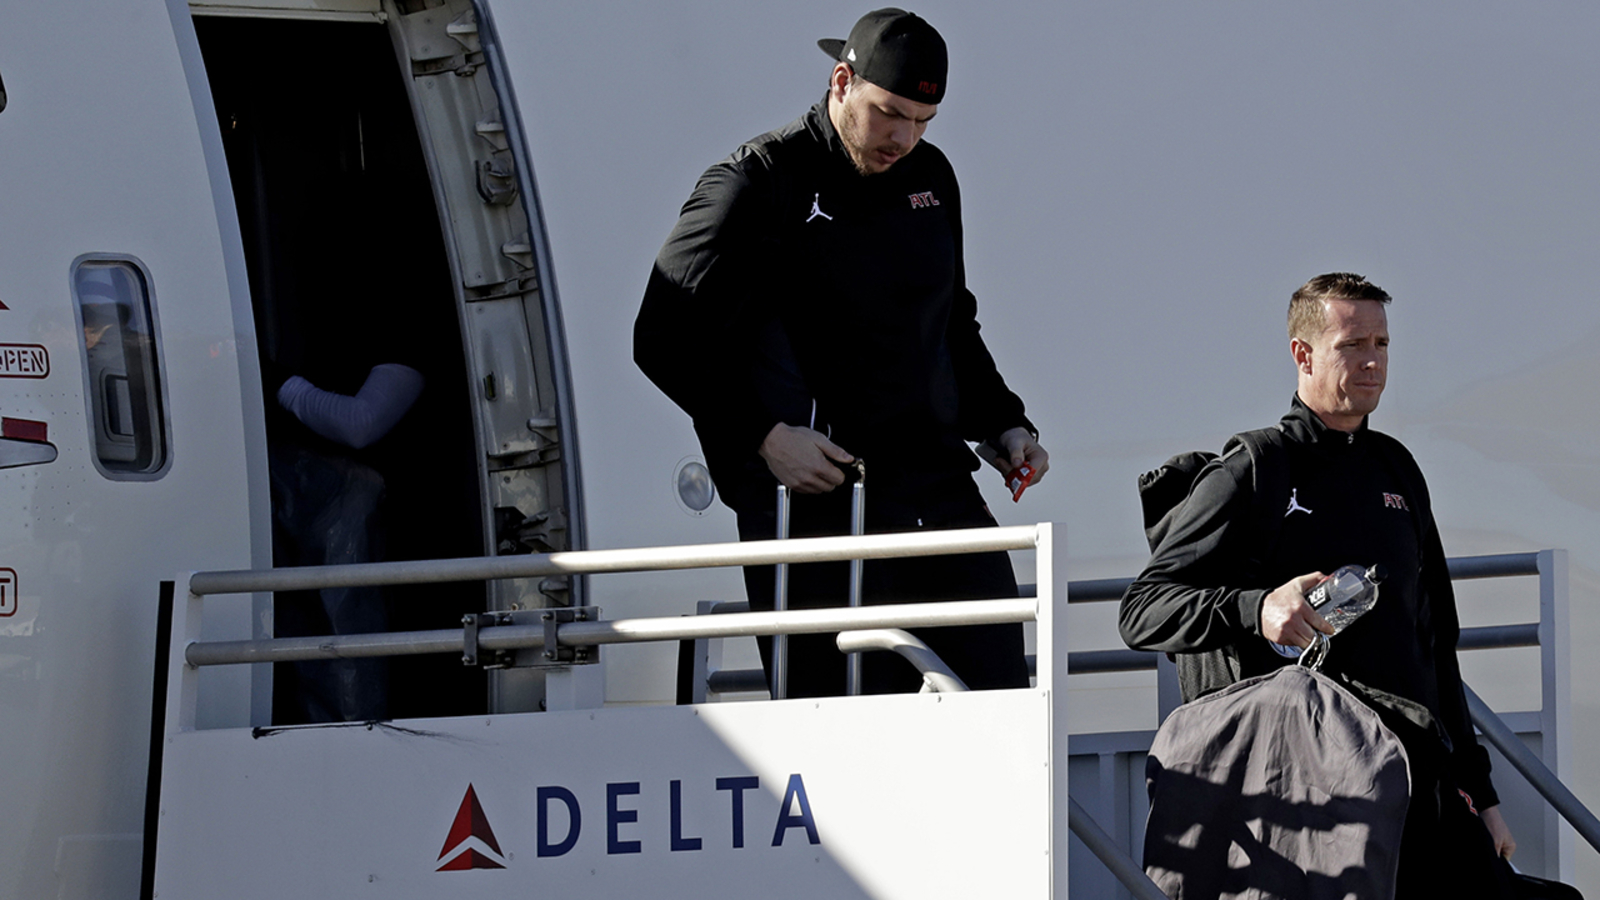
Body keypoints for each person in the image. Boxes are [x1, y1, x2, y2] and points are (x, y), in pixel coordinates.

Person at [635, 9, 1048, 698]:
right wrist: (763, 438)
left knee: (1000, 713)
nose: (904, 138)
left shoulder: (932, 177)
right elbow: (662, 336)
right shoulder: (758, 180)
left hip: (937, 491)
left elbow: (950, 320)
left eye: (923, 121)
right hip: (820, 502)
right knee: (842, 743)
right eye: (889, 114)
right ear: (841, 81)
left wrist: (1004, 422)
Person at [1120, 272, 1516, 897]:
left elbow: (1435, 645)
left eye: (1382, 345)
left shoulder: (1397, 468)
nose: (1372, 362)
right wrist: (1258, 609)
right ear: (1304, 354)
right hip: (1310, 799)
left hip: (1413, 776)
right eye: (1352, 344)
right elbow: (1142, 610)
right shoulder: (1256, 466)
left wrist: (1481, 792)